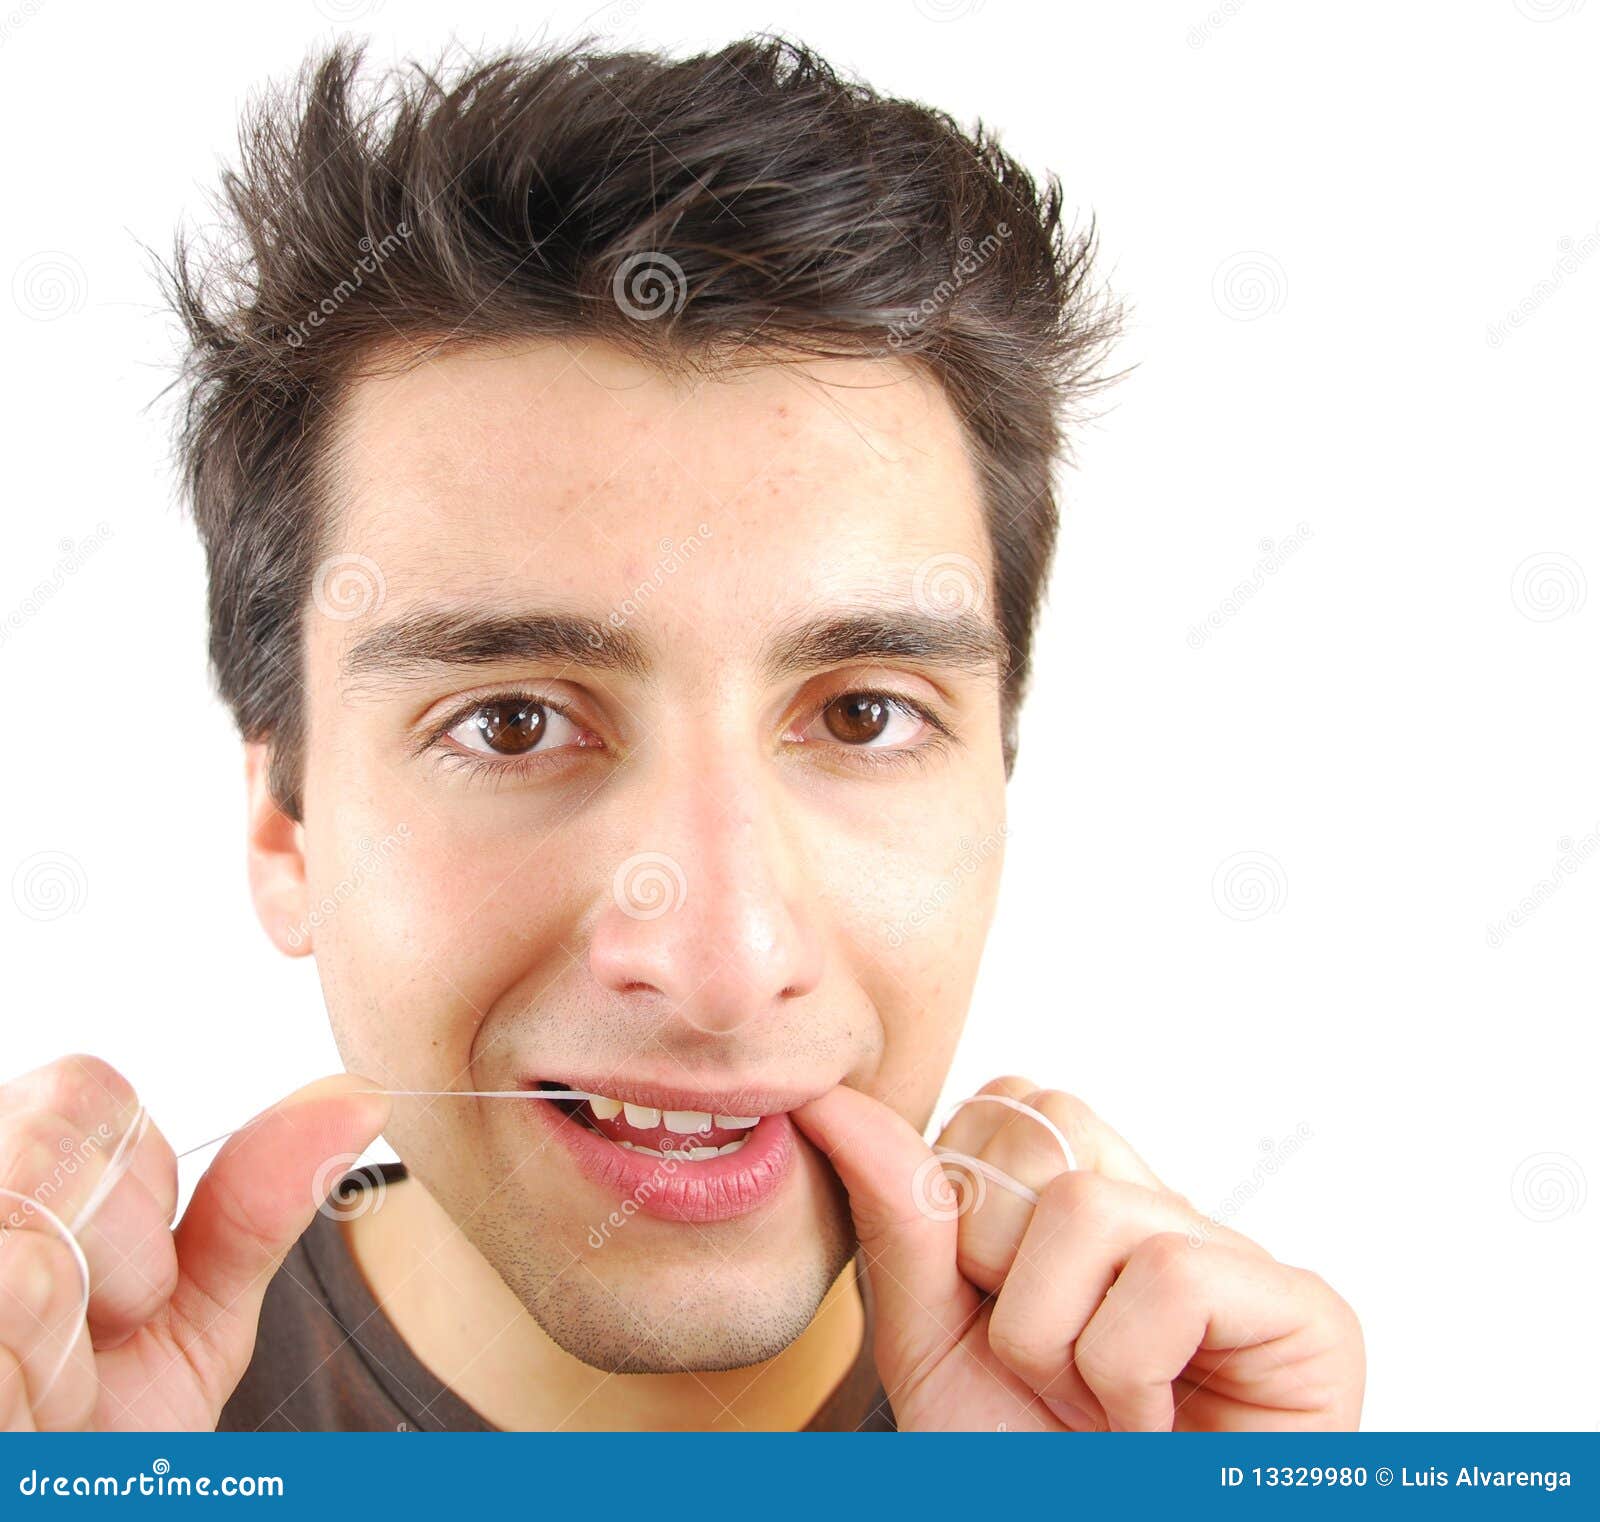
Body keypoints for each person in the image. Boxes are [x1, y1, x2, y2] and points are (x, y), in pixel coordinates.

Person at [0, 35, 1363, 1432]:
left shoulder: (1170, 1434)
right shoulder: (85, 1433)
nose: (721, 965)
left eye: (862, 714)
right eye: (514, 721)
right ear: (287, 829)